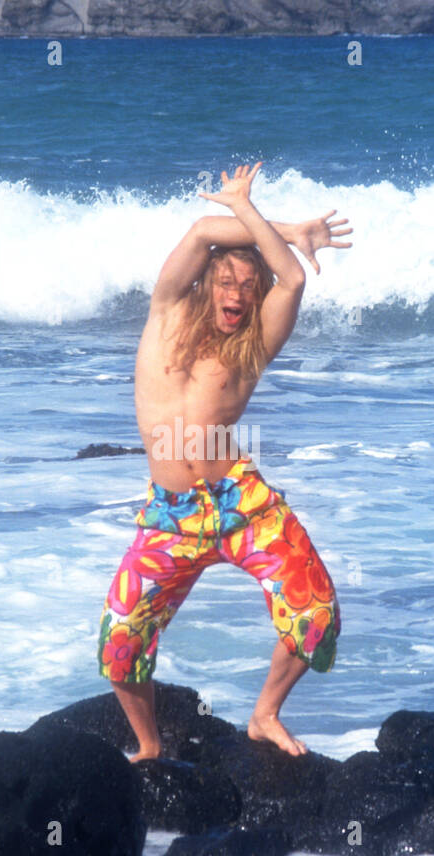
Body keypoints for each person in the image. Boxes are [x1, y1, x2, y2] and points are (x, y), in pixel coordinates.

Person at [96, 161, 352, 759]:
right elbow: (200, 234)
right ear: (206, 283)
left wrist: (277, 240)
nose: (236, 294)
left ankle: (264, 714)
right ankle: (150, 748)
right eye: (226, 281)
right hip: (170, 515)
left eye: (246, 286)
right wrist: (270, 218)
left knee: (315, 616)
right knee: (120, 643)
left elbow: (290, 280)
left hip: (240, 502)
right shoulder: (165, 310)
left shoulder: (254, 345)